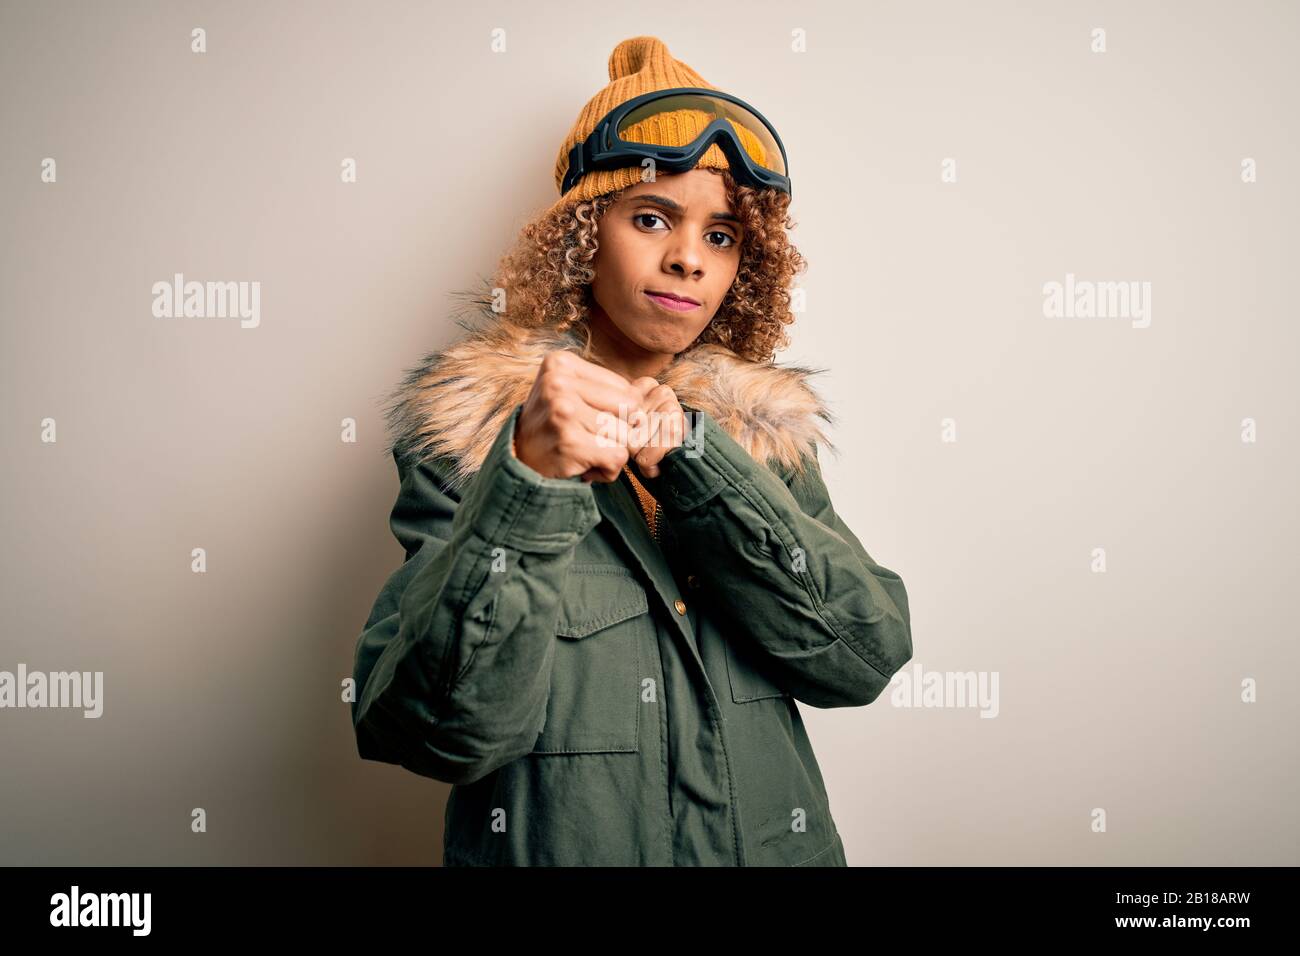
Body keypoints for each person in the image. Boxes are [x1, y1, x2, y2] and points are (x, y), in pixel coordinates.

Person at [350, 35, 913, 866]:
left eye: (722, 236)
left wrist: (701, 465)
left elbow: (863, 658)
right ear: (584, 236)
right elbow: (436, 732)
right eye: (651, 218)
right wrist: (529, 487)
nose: (688, 256)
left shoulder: (762, 438)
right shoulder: (469, 440)